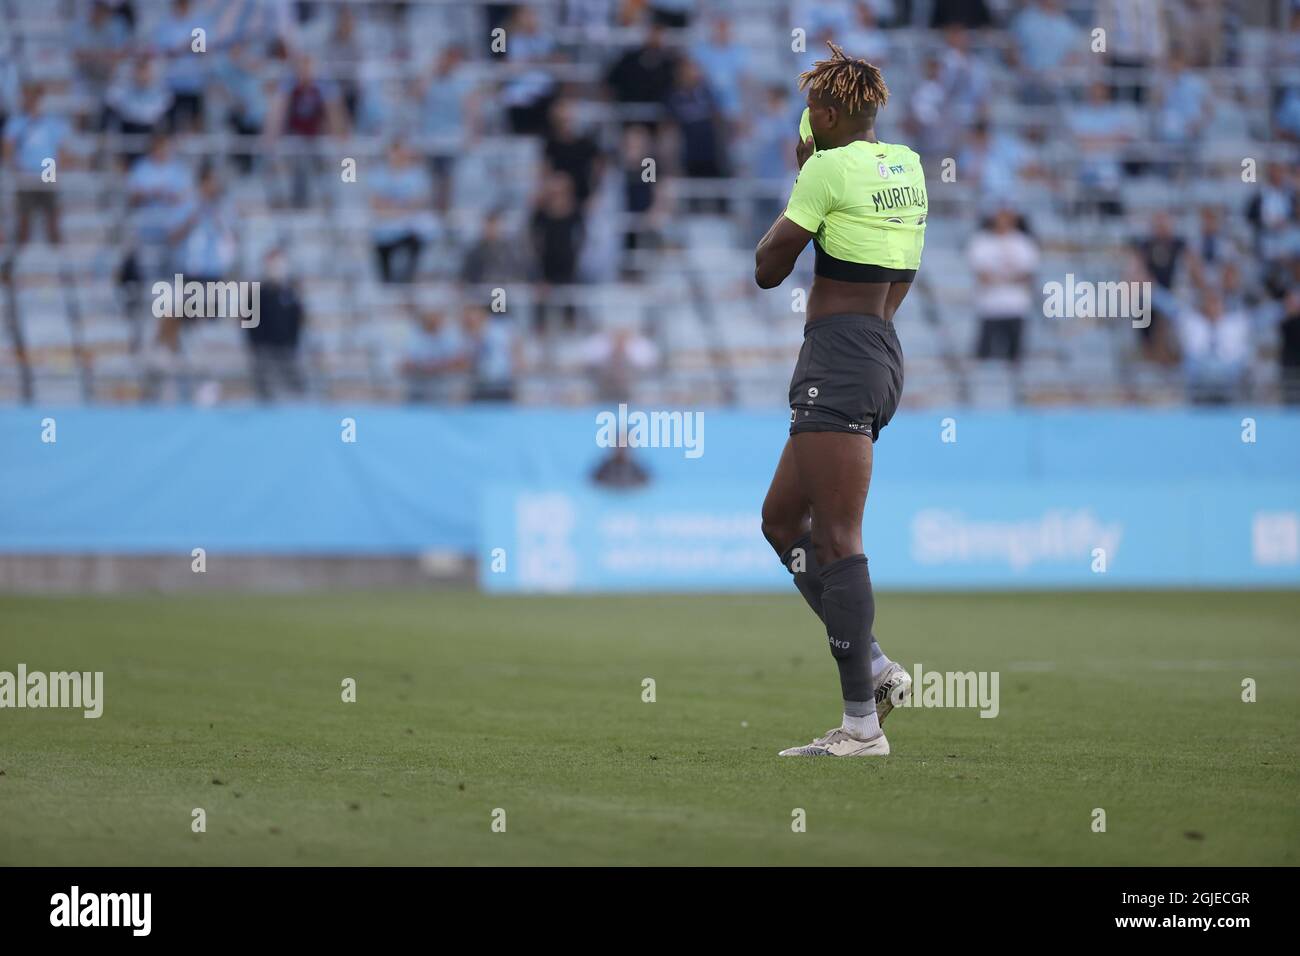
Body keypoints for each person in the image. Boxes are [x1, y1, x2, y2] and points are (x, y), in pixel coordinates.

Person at [754, 42, 924, 758]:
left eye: (810, 115)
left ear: (822, 114)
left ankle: (861, 726)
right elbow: (904, 270)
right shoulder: (907, 166)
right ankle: (875, 665)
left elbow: (767, 268)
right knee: (781, 519)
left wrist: (805, 174)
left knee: (836, 538)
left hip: (839, 354)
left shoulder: (822, 168)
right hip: (880, 346)